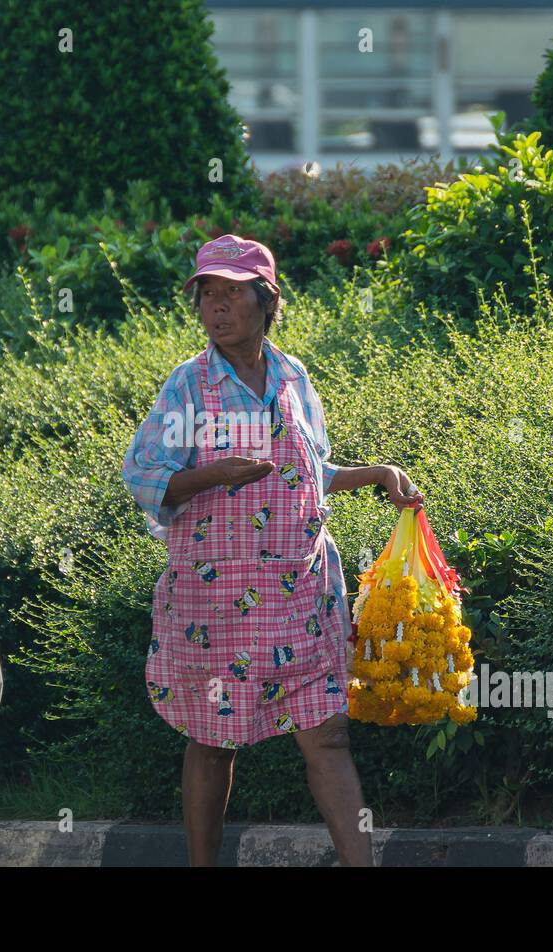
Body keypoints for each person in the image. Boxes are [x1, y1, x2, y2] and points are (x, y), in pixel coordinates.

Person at [122, 234, 423, 867]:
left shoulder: (291, 376)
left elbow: (308, 469)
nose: (217, 307)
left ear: (266, 300)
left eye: (232, 292)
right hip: (215, 604)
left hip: (302, 597)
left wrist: (377, 473)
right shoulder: (189, 388)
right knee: (212, 740)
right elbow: (143, 475)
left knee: (330, 738)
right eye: (207, 293)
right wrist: (214, 474)